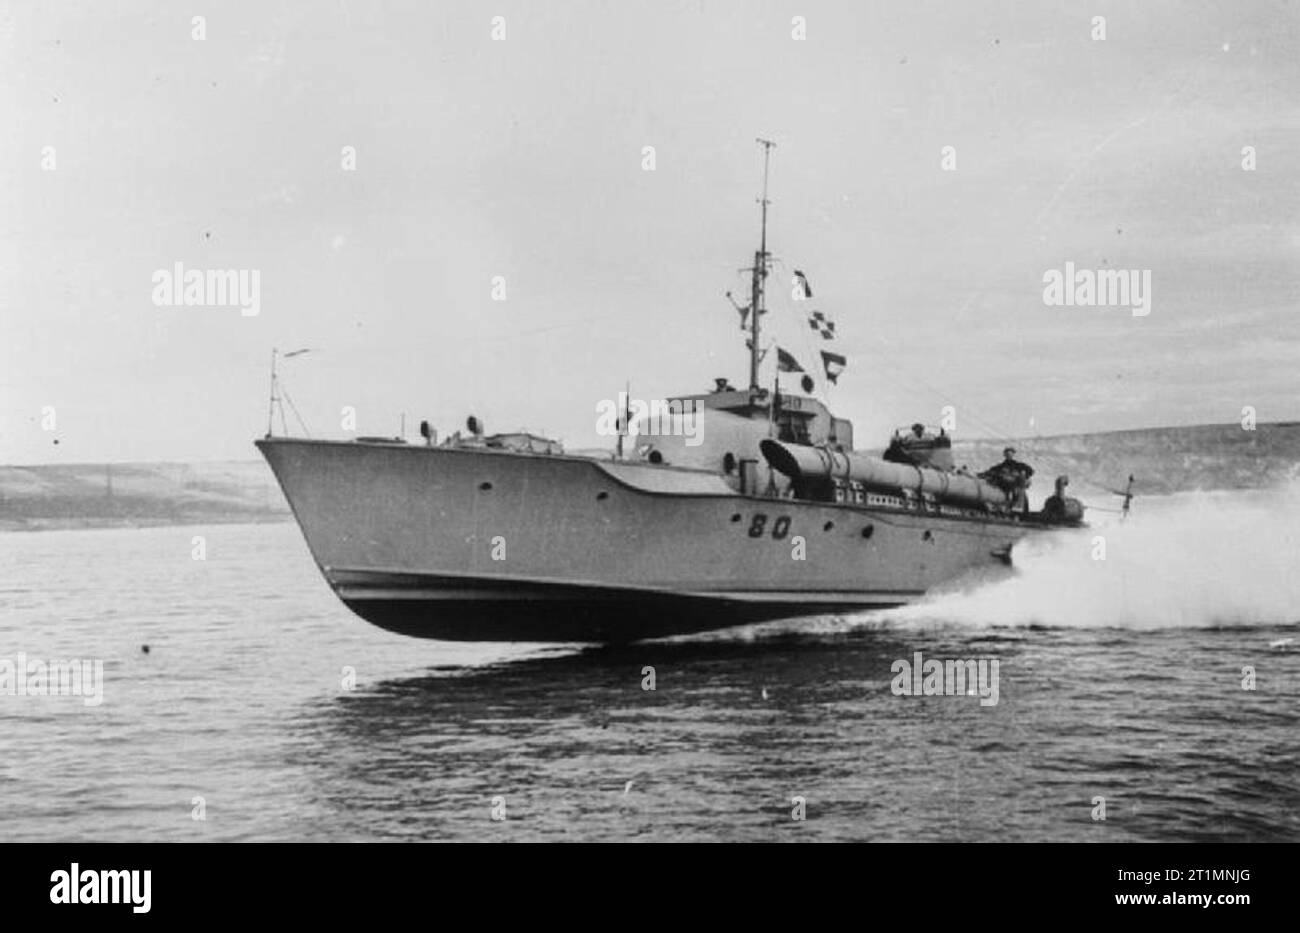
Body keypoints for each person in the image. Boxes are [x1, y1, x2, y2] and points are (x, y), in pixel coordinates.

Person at [979, 447, 1034, 512]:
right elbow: (990, 472)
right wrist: (981, 475)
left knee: (1016, 492)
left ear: (1013, 455)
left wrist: (1024, 475)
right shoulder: (1001, 466)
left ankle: (1015, 506)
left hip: (1015, 486)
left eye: (1010, 454)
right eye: (1007, 454)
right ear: (1004, 455)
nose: (1009, 455)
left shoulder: (1018, 465)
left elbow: (1030, 471)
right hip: (1004, 487)